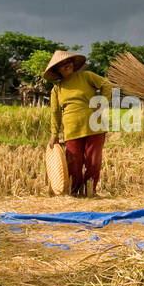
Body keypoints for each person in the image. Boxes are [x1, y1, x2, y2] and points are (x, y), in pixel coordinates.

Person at [45, 50, 111, 197]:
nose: (66, 66)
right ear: (57, 70)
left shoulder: (86, 76)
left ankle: (90, 192)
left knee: (94, 162)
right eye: (61, 65)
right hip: (72, 130)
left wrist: (102, 102)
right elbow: (55, 112)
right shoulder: (57, 89)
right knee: (73, 164)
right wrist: (54, 134)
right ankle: (75, 193)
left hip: (94, 126)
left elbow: (106, 84)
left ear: (73, 64)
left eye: (67, 62)